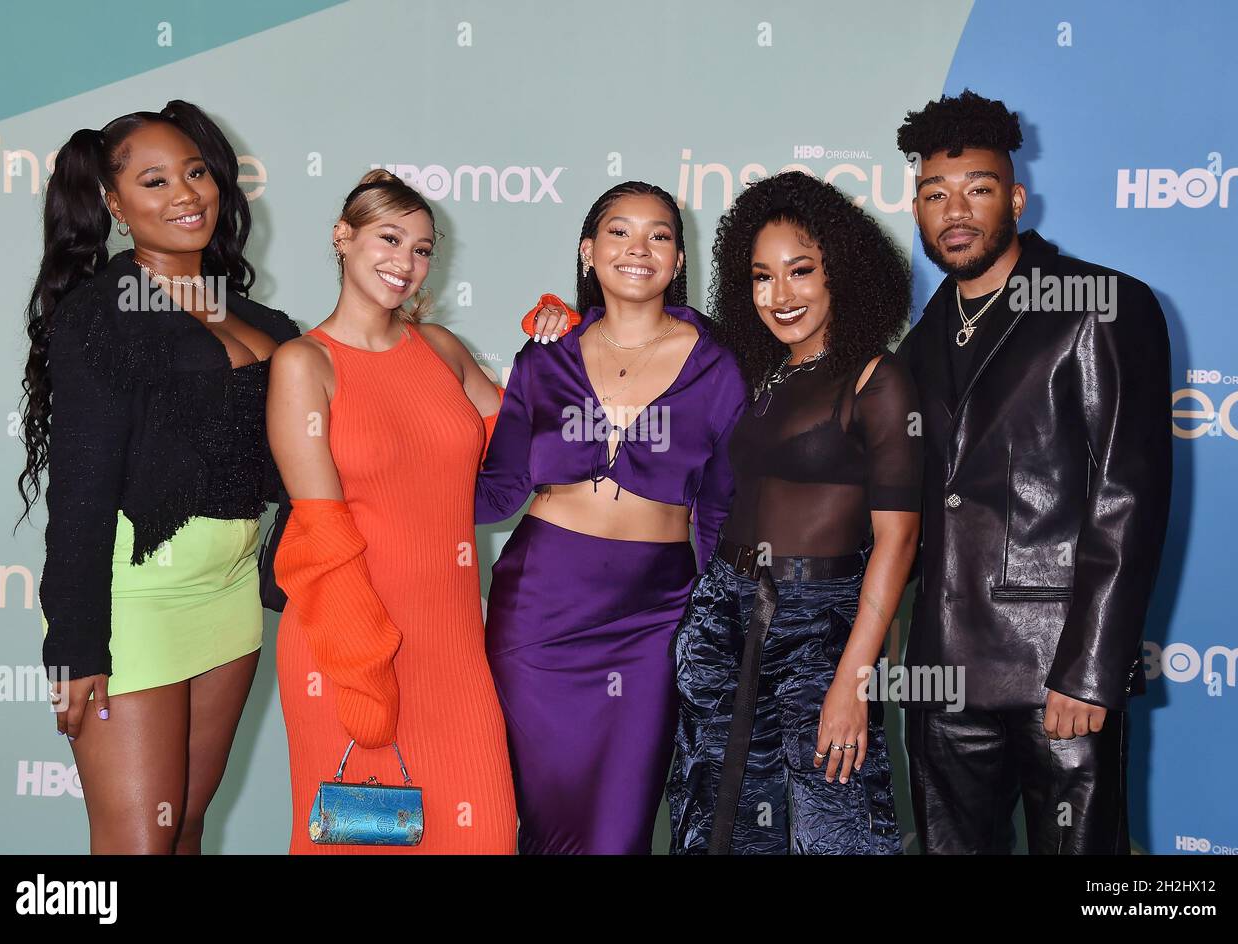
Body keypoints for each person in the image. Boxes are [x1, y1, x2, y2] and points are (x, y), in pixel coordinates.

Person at [894, 90, 1172, 854]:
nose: (955, 210)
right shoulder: (915, 347)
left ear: (1014, 198)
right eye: (934, 194)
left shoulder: (1100, 306)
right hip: (940, 679)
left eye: (978, 189)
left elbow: (1128, 496)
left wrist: (1090, 669)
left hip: (1056, 671)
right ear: (915, 208)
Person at [20, 101, 300, 853]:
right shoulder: (102, 315)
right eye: (154, 181)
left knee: (184, 833)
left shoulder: (266, 322)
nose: (186, 194)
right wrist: (78, 645)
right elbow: (80, 490)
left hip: (230, 593)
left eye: (196, 172)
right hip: (134, 597)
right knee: (140, 841)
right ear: (114, 206)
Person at [478, 181, 748, 854]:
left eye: (659, 235)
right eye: (619, 231)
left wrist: (736, 624)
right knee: (543, 822)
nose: (639, 248)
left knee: (618, 832)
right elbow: (501, 485)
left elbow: (718, 514)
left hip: (652, 617)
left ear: (679, 261)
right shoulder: (546, 356)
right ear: (587, 250)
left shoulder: (719, 367)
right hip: (539, 611)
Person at [663, 172, 921, 854]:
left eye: (801, 271)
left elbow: (897, 541)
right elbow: (655, 329)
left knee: (835, 826)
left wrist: (854, 680)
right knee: (721, 824)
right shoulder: (760, 376)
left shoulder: (876, 378)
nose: (782, 295)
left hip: (818, 627)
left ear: (841, 269)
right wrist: (567, 319)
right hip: (724, 613)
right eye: (762, 277)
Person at [268, 169, 516, 854]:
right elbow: (320, 529)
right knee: (357, 843)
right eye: (389, 238)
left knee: (485, 834)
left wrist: (565, 346)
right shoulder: (304, 362)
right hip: (349, 647)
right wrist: (363, 671)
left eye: (422, 248)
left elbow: (524, 447)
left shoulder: (438, 349)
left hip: (453, 646)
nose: (404, 262)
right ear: (342, 238)